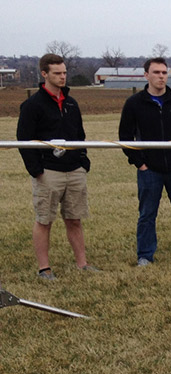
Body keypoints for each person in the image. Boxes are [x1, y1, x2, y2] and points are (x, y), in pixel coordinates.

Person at [16, 53, 97, 280]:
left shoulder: (71, 103)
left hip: (75, 170)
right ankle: (44, 268)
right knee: (45, 220)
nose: (63, 77)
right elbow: (24, 139)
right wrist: (36, 170)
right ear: (44, 74)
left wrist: (83, 161)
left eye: (64, 72)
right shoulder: (32, 105)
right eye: (57, 73)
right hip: (48, 172)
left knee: (74, 219)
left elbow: (80, 135)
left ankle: (82, 264)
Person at [119, 58, 171, 267]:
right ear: (146, 75)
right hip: (149, 171)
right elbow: (125, 137)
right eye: (156, 72)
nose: (161, 76)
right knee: (147, 215)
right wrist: (140, 163)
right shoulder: (134, 104)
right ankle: (145, 256)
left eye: (164, 73)